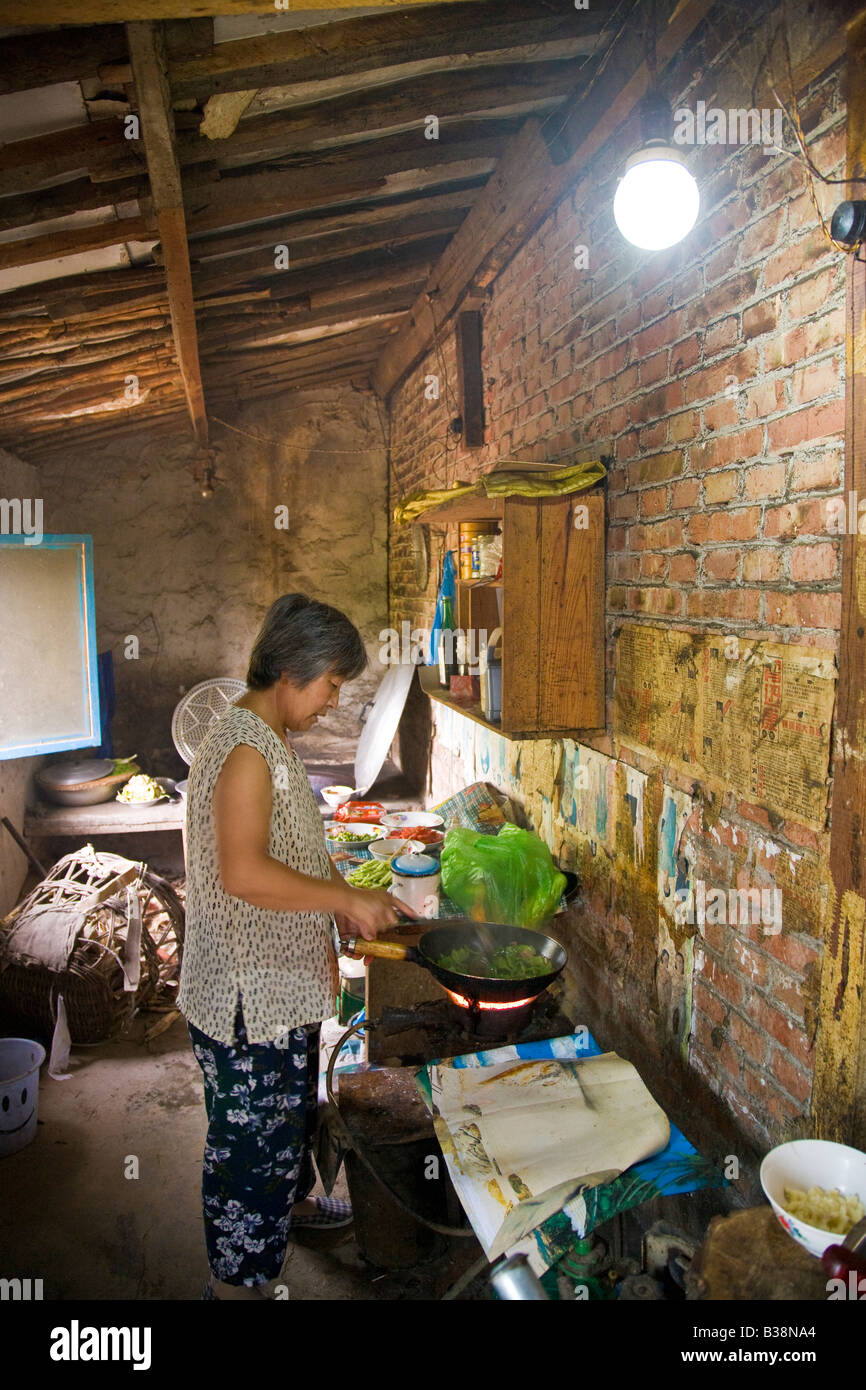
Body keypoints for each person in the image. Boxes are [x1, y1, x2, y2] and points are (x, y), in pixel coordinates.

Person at [177, 593, 413, 1300]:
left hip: (278, 991)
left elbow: (298, 847)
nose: (333, 703)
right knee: (248, 1152)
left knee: (282, 1127)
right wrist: (344, 901)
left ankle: (291, 1209)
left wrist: (344, 895)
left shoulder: (268, 737)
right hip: (246, 998)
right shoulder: (245, 750)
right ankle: (236, 1284)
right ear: (290, 672)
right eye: (331, 686)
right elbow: (244, 872)